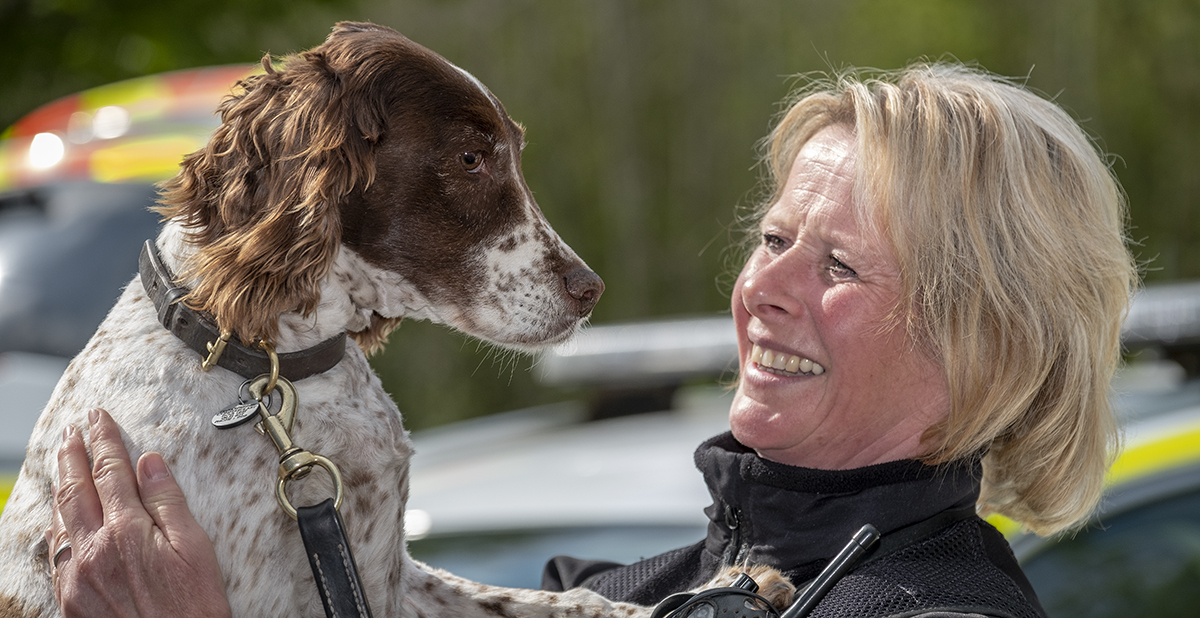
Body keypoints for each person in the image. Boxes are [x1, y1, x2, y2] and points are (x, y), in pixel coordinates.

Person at [45, 62, 1136, 617]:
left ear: (983, 340)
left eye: (838, 266)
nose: (762, 289)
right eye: (773, 238)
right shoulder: (627, 590)